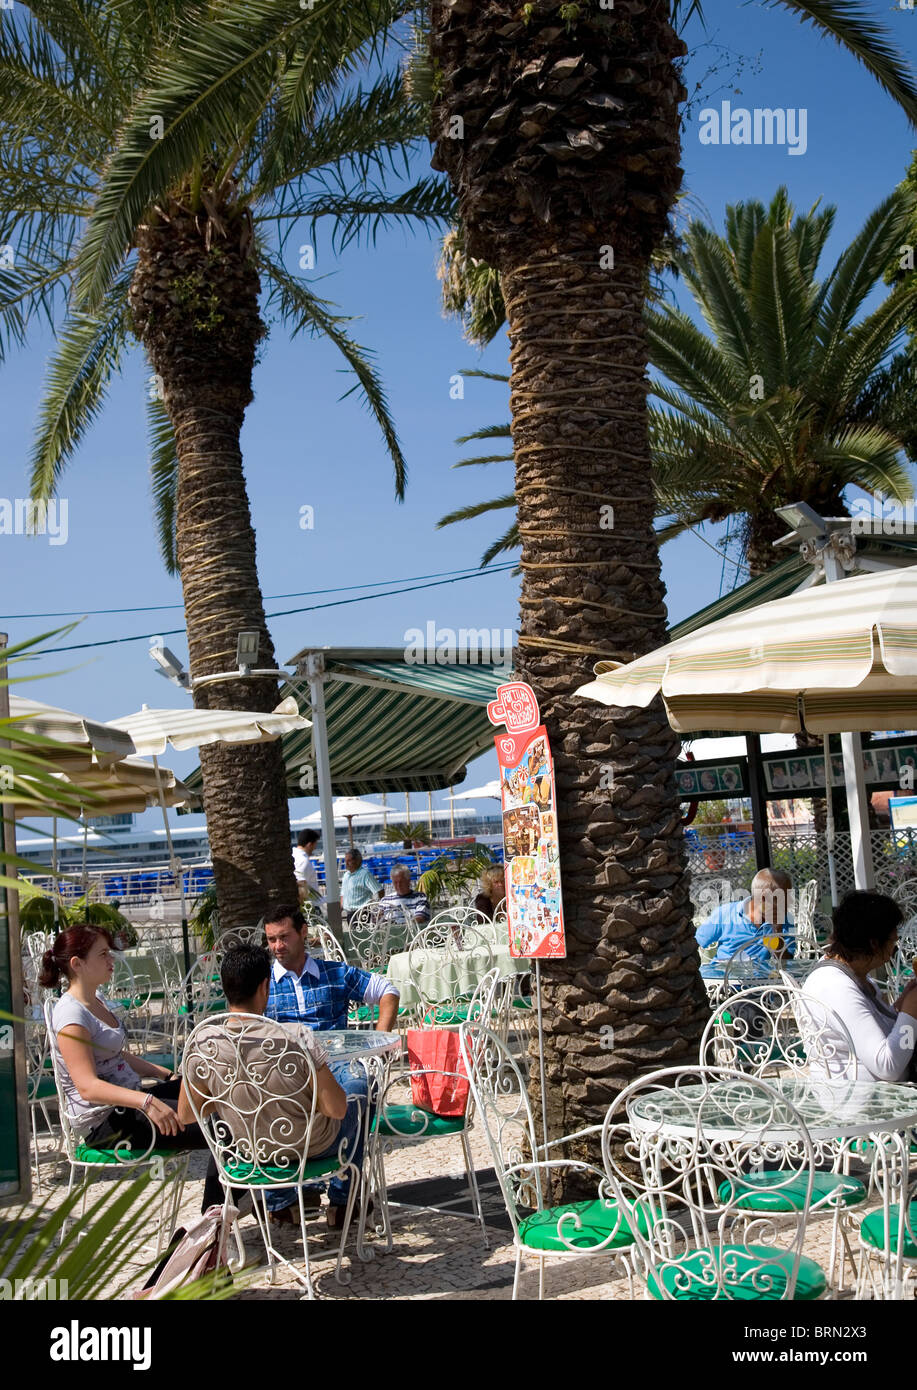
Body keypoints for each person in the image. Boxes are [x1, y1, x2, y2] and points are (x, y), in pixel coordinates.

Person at [41, 925, 223, 1211]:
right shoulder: (71, 1014)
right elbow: (87, 1085)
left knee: (217, 1094)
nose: (111, 960)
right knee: (222, 1127)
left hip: (129, 1104)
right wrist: (148, 1101)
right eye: (102, 954)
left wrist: (166, 1075)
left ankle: (240, 1213)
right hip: (107, 1123)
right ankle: (214, 1227)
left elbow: (118, 1055)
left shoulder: (95, 1001)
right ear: (77, 963)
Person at [179, 946, 361, 1229]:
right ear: (265, 987)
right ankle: (347, 1202)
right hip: (310, 1149)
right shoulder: (296, 1037)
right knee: (359, 1096)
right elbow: (336, 1109)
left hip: (251, 1154)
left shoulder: (202, 1043)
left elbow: (188, 1115)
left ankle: (281, 1206)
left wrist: (230, 1091)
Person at [802, 891, 917, 1081]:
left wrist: (901, 1006)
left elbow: (870, 1029)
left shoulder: (851, 973)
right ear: (873, 943)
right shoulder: (836, 986)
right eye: (892, 942)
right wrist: (911, 1011)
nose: (893, 950)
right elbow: (887, 1066)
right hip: (863, 1101)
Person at [696, 868, 796, 964]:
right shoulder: (725, 913)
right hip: (721, 979)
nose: (789, 903)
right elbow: (695, 943)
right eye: (784, 899)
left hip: (759, 980)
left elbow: (785, 964)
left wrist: (777, 932)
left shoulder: (784, 920)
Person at [341, 848, 382, 921]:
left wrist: (375, 907)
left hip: (362, 914)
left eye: (349, 861)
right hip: (349, 914)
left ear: (357, 861)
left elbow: (379, 891)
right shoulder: (346, 875)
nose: (346, 863)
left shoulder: (365, 874)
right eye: (345, 861)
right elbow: (343, 894)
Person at [292, 828, 320, 905]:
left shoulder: (293, 854)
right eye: (315, 845)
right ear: (309, 844)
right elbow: (301, 884)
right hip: (309, 907)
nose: (315, 848)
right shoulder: (303, 860)